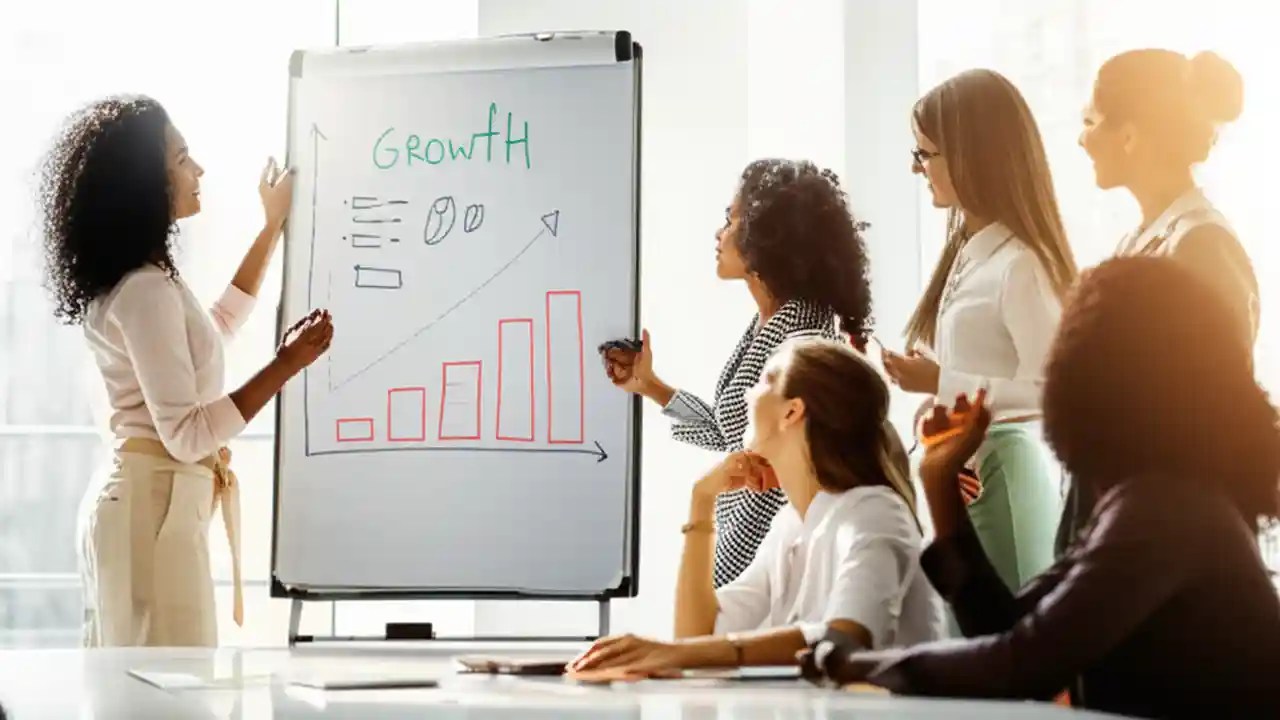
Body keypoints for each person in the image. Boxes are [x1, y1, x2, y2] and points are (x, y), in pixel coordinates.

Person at [810, 257, 1280, 718]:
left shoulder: (1166, 510)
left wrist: (852, 664)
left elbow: (1023, 664)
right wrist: (940, 480)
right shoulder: (1152, 502)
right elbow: (1005, 630)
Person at [40, 95, 334, 647]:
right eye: (182, 158)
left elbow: (218, 324)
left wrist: (271, 227)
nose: (197, 170)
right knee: (163, 697)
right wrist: (288, 363)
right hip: (152, 509)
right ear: (144, 182)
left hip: (150, 505)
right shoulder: (145, 289)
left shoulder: (143, 280)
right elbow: (187, 434)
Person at [571, 339, 941, 675]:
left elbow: (845, 639)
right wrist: (701, 505)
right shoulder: (792, 525)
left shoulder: (874, 512)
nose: (749, 394)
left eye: (765, 381)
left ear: (792, 412)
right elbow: (696, 637)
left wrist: (676, 654)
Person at [602, 159, 881, 587]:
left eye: (730, 219)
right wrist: (652, 386)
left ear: (766, 237)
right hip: (742, 550)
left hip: (769, 558)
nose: (719, 233)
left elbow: (784, 470)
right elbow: (731, 431)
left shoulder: (801, 336)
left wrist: (727, 573)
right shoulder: (772, 320)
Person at [880, 69, 1078, 593]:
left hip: (1004, 473)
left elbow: (1054, 394)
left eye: (925, 154)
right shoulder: (970, 255)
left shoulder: (1022, 266)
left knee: (999, 648)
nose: (916, 168)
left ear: (972, 155)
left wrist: (942, 382)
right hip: (967, 473)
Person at [1061, 49, 1261, 552]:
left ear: (1129, 135)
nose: (1082, 139)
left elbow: (1216, 408)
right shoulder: (1141, 239)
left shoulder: (1200, 243)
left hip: (1172, 531)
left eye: (1091, 121)